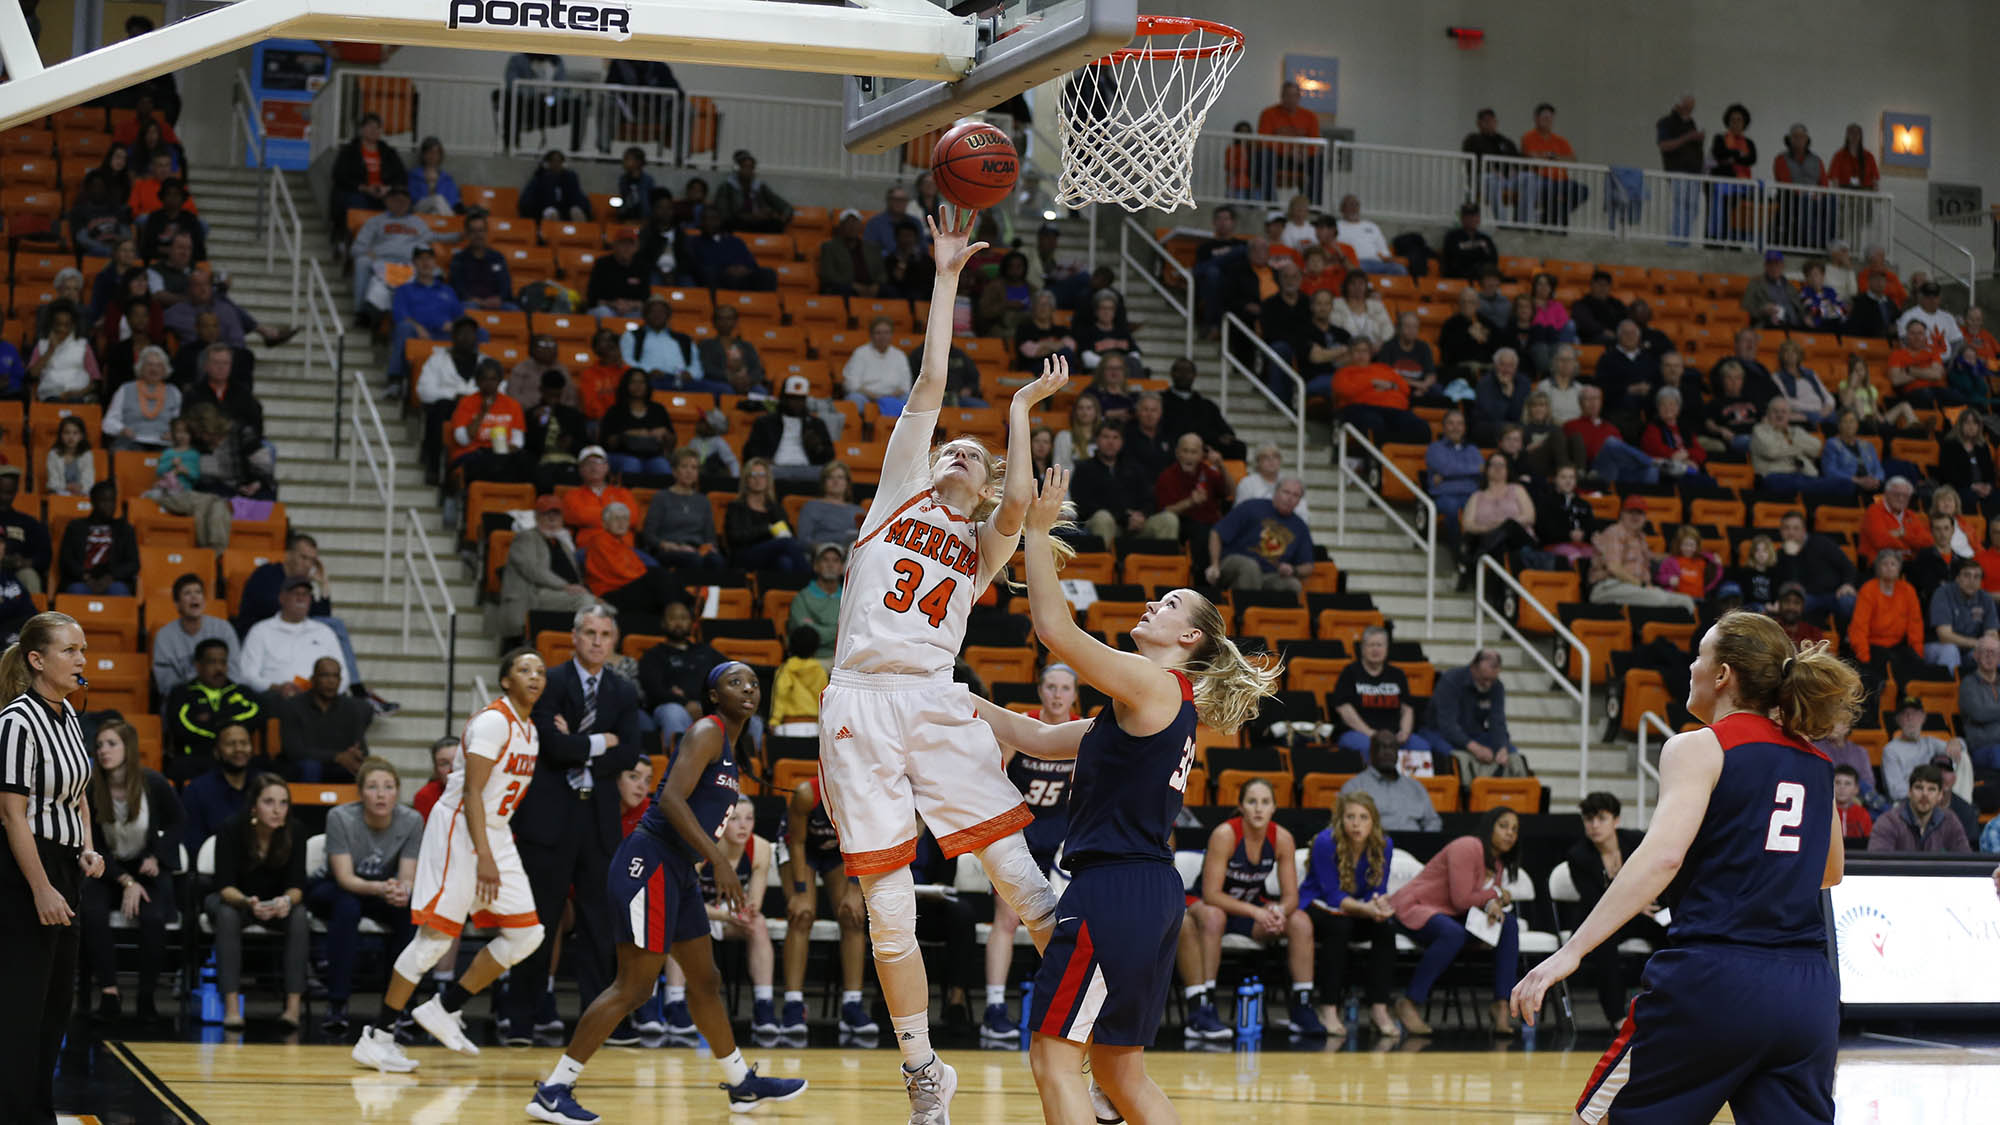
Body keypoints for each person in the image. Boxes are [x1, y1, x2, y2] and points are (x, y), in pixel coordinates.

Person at [813, 210, 1075, 1125]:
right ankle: (924, 1070)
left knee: (1016, 873)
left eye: (974, 454)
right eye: (950, 449)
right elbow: (929, 377)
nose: (958, 454)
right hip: (859, 701)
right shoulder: (897, 492)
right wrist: (946, 277)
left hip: (932, 698)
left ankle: (1097, 1018)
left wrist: (1015, 415)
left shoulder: (981, 546)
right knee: (886, 910)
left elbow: (1017, 507)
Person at [973, 464, 1277, 1119]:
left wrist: (1034, 526)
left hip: (1113, 889)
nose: (1152, 604)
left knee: (1054, 1058)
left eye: (1169, 605)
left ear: (1189, 638)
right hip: (1149, 890)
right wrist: (951, 698)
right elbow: (1034, 735)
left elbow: (1056, 632)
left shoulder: (1150, 683)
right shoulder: (1157, 702)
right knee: (1119, 1071)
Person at [1513, 610, 1860, 1119]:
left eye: (1700, 655)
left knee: (1601, 1117)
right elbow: (1830, 873)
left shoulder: (1698, 746)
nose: (1691, 666)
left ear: (1722, 675)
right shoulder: (1818, 761)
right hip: (1807, 992)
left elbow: (1662, 858)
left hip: (1715, 982)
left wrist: (1572, 951)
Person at [529, 663, 806, 1121]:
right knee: (633, 987)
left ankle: (741, 1084)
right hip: (649, 863)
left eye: (754, 682)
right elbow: (672, 801)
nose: (748, 688)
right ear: (714, 695)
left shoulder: (734, 749)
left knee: (705, 980)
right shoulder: (706, 731)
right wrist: (719, 861)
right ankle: (555, 1088)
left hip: (677, 870)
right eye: (735, 682)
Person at [350, 649, 550, 1073]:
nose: (534, 676)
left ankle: (445, 1008)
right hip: (460, 830)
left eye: (540, 671)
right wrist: (483, 856)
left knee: (528, 935)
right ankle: (378, 1037)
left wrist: (492, 848)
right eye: (524, 669)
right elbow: (471, 793)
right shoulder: (494, 721)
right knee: (435, 941)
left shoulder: (530, 731)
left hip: (493, 832)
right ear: (505, 681)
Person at [500, 610, 642, 1046]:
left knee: (601, 925)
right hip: (549, 818)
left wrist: (576, 747)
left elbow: (631, 752)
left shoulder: (623, 689)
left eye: (605, 635)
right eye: (589, 634)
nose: (597, 642)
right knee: (539, 922)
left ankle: (600, 1023)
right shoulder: (550, 681)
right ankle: (520, 1020)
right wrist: (599, 742)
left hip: (598, 819)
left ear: (614, 641)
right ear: (574, 638)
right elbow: (551, 746)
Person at [977, 664, 1080, 1043]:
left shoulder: (1080, 733)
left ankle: (1062, 1005)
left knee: (1067, 920)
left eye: (1064, 688)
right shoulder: (1023, 726)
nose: (1056, 694)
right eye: (1050, 687)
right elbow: (992, 774)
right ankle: (994, 1008)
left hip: (1062, 844)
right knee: (1006, 915)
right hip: (1020, 835)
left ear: (1073, 694)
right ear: (1040, 690)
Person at [1385, 807, 1522, 1037]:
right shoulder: (1467, 846)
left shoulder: (1496, 864)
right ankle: (1409, 1002)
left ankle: (1501, 1004)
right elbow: (1462, 899)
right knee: (1453, 933)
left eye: (1515, 829)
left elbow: (1478, 898)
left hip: (1452, 915)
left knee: (1509, 924)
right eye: (1503, 826)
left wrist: (1492, 906)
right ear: (1489, 826)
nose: (1510, 833)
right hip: (1417, 907)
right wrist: (1497, 894)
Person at [308, 757, 420, 1034]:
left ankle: (398, 1006)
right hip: (335, 887)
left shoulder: (412, 820)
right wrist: (384, 889)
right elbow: (345, 878)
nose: (381, 794)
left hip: (383, 889)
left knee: (408, 911)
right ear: (360, 793)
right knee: (347, 908)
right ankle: (337, 1003)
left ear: (397, 791)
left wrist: (401, 891)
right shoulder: (340, 817)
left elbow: (408, 877)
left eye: (388, 787)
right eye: (372, 787)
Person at [207, 773, 310, 1029]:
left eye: (283, 803)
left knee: (299, 916)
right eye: (269, 802)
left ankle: (292, 1009)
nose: (277, 810)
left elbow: (297, 886)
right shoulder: (232, 828)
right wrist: (247, 902)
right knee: (227, 915)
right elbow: (224, 886)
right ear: (254, 805)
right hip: (237, 901)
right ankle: (231, 1007)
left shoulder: (295, 831)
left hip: (276, 904)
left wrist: (285, 901)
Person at [1298, 791, 1404, 1038]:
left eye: (1364, 817)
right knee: (1339, 928)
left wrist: (1378, 906)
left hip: (1356, 910)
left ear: (1373, 821)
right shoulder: (1325, 842)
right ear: (1340, 820)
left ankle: (1379, 1008)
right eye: (1350, 817)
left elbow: (1378, 888)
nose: (1356, 824)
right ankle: (1329, 1008)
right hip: (1319, 906)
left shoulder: (1384, 845)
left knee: (1386, 927)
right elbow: (1332, 895)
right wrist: (1367, 909)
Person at [781, 772, 873, 1036]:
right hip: (801, 848)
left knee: (853, 915)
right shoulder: (806, 794)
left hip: (840, 852)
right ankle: (792, 1004)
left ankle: (852, 1006)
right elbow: (797, 843)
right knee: (802, 914)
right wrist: (799, 891)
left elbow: (862, 842)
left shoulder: (862, 794)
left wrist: (856, 889)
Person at [1563, 792, 1667, 1028]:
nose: (1594, 825)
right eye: (1589, 819)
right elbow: (1594, 900)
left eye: (1601, 818)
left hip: (1641, 912)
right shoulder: (1578, 855)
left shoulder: (1637, 841)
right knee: (1603, 941)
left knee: (1671, 928)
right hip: (1602, 917)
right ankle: (1617, 1017)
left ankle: (1669, 1003)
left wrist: (1641, 902)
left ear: (1616, 820)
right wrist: (1635, 903)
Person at [498, 496, 598, 639]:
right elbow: (532, 570)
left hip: (561, 594)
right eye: (547, 514)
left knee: (606, 609)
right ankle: (587, 646)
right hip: (535, 594)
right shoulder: (526, 537)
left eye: (556, 514)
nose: (552, 519)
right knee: (585, 602)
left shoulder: (563, 543)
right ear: (536, 517)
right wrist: (565, 586)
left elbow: (575, 574)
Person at [1426, 649, 1528, 781]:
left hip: (1474, 733)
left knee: (1512, 754)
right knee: (1460, 758)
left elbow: (1498, 721)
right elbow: (1447, 725)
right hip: (1439, 732)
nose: (1488, 684)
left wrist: (1501, 747)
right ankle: (1468, 792)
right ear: (1473, 668)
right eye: (1485, 679)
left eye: (1493, 680)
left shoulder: (1496, 687)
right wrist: (1475, 748)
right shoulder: (1451, 681)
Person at [239, 576, 348, 697]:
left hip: (316, 701)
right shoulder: (260, 630)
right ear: (282, 598)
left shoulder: (324, 632)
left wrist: (321, 691)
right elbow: (247, 675)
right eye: (295, 593)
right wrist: (276, 687)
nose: (301, 598)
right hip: (274, 699)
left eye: (305, 594)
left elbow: (344, 676)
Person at [1205, 478, 1314, 594]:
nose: (1290, 498)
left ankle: (1263, 612)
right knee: (1250, 568)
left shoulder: (1300, 527)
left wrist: (1294, 570)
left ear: (1299, 501)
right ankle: (1243, 610)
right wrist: (1214, 565)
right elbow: (1216, 533)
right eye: (1286, 492)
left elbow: (1308, 565)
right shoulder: (1252, 507)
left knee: (1293, 585)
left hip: (1269, 574)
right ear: (1276, 492)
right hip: (1234, 565)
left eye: (1295, 495)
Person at [1591, 497, 1697, 613]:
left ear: (1645, 517)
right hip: (1609, 587)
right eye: (1631, 512)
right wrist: (1641, 585)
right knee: (1659, 598)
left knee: (1686, 600)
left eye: (1640, 513)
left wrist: (1703, 555)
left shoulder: (1640, 538)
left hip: (1633, 588)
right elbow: (1614, 567)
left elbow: (1655, 557)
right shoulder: (1615, 532)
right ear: (1622, 514)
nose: (1635, 517)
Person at [278, 656, 373, 783]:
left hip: (339, 768)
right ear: (313, 679)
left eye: (335, 676)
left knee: (363, 768)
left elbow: (361, 749)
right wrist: (337, 757)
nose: (331, 681)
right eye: (325, 675)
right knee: (310, 767)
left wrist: (357, 754)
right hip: (303, 769)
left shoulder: (351, 709)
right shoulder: (293, 706)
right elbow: (294, 752)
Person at [1849, 551, 1929, 702]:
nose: (1889, 568)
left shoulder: (1908, 591)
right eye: (1884, 564)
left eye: (1893, 564)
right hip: (1872, 646)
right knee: (1885, 665)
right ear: (1877, 568)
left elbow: (1915, 625)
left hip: (1898, 645)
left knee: (1914, 663)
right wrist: (1864, 657)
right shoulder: (1868, 590)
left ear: (1899, 568)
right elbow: (1859, 627)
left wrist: (1918, 652)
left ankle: (1909, 700)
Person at [1340, 730, 1442, 833]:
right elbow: (1344, 826)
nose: (1388, 752)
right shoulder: (1354, 787)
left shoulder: (1416, 786)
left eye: (1392, 747)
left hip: (1414, 845)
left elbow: (1433, 821)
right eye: (1382, 747)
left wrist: (1424, 843)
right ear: (1371, 752)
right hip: (1373, 845)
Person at [1880, 695, 1971, 804]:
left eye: (1915, 714)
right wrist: (1926, 793)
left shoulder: (1929, 742)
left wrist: (1956, 742)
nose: (1910, 718)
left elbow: (1961, 746)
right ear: (1898, 720)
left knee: (1963, 756)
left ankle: (1963, 805)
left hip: (1934, 797)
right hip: (1907, 802)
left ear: (1923, 717)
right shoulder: (1891, 750)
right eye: (1905, 714)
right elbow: (1896, 792)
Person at [1868, 763, 1969, 853]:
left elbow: (1965, 861)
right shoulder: (1888, 821)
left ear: (1940, 795)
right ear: (1909, 792)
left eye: (1931, 789)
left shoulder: (1949, 820)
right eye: (1919, 787)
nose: (1925, 794)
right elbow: (1878, 866)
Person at [1927, 558, 1998, 669]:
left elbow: (1992, 633)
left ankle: (1992, 686)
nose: (1972, 581)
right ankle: (1950, 686)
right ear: (1957, 578)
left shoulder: (1986, 598)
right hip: (1938, 647)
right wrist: (1978, 643)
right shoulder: (1943, 593)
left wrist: (1988, 644)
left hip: (1970, 651)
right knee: (1950, 650)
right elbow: (1945, 636)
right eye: (1967, 575)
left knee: (1994, 652)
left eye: (1976, 577)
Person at [712, 149, 793, 233]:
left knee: (776, 224)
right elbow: (723, 213)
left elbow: (785, 206)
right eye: (745, 167)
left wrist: (781, 217)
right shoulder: (726, 187)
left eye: (750, 167)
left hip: (758, 223)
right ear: (737, 169)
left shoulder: (760, 187)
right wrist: (749, 216)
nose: (748, 170)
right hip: (738, 223)